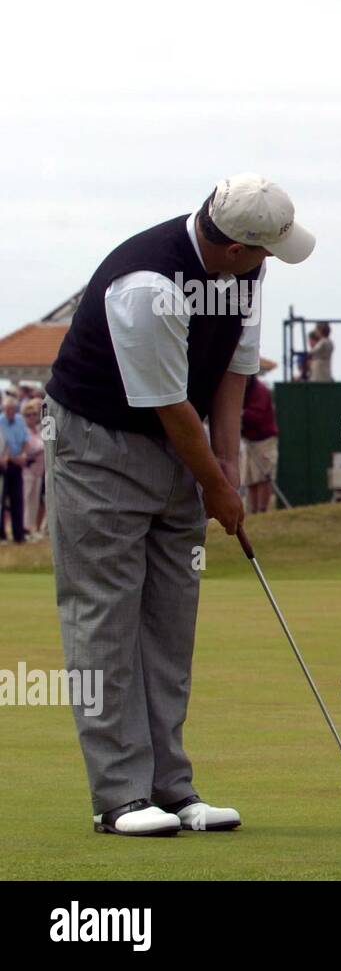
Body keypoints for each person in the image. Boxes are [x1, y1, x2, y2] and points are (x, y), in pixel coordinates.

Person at [44, 172, 314, 836]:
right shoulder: (147, 288)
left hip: (177, 441)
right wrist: (219, 488)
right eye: (266, 252)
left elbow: (230, 373)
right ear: (232, 246)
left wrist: (227, 462)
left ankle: (172, 785)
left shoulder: (245, 269)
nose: (270, 263)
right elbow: (169, 406)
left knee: (170, 618)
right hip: (98, 444)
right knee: (106, 616)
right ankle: (121, 797)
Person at [241, 358, 279, 514]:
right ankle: (252, 511)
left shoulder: (261, 391)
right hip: (249, 441)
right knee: (250, 478)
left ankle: (262, 510)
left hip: (264, 440)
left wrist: (240, 414)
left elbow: (256, 416)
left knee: (263, 478)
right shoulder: (241, 390)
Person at [0, 396, 28, 544]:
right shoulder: (0, 421)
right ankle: (2, 534)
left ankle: (18, 535)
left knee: (18, 499)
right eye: (7, 409)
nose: (10, 411)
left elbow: (26, 441)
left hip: (17, 464)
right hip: (3, 465)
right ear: (4, 409)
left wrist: (23, 455)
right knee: (2, 500)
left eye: (12, 408)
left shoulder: (20, 420)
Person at [21, 397, 46, 540]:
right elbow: (33, 447)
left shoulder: (37, 430)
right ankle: (24, 529)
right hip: (27, 470)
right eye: (28, 415)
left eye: (34, 414)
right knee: (26, 499)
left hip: (38, 470)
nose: (32, 417)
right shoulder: (25, 431)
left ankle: (31, 528)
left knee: (35, 501)